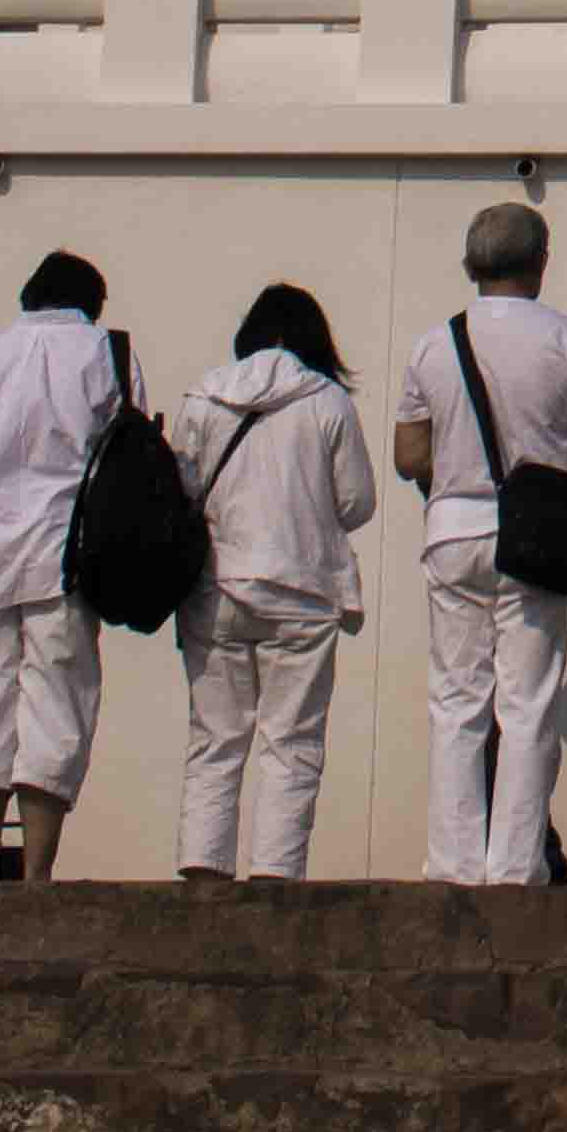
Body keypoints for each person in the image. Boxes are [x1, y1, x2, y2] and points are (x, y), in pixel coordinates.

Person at [396, 200, 567, 888]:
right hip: (533, 536)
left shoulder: (435, 343)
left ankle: (454, 864)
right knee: (527, 703)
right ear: (540, 263)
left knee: (457, 701)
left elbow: (409, 453)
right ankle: (516, 868)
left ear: (471, 265)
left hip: (452, 530)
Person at [0, 253, 125, 883]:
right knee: (57, 710)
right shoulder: (104, 352)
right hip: (62, 557)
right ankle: (37, 877)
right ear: (91, 302)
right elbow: (123, 456)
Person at [177, 282, 374, 883]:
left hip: (217, 587)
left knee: (216, 738)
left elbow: (182, 490)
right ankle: (274, 879)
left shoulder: (204, 396)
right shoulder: (328, 402)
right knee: (292, 743)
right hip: (303, 592)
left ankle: (203, 870)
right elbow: (356, 503)